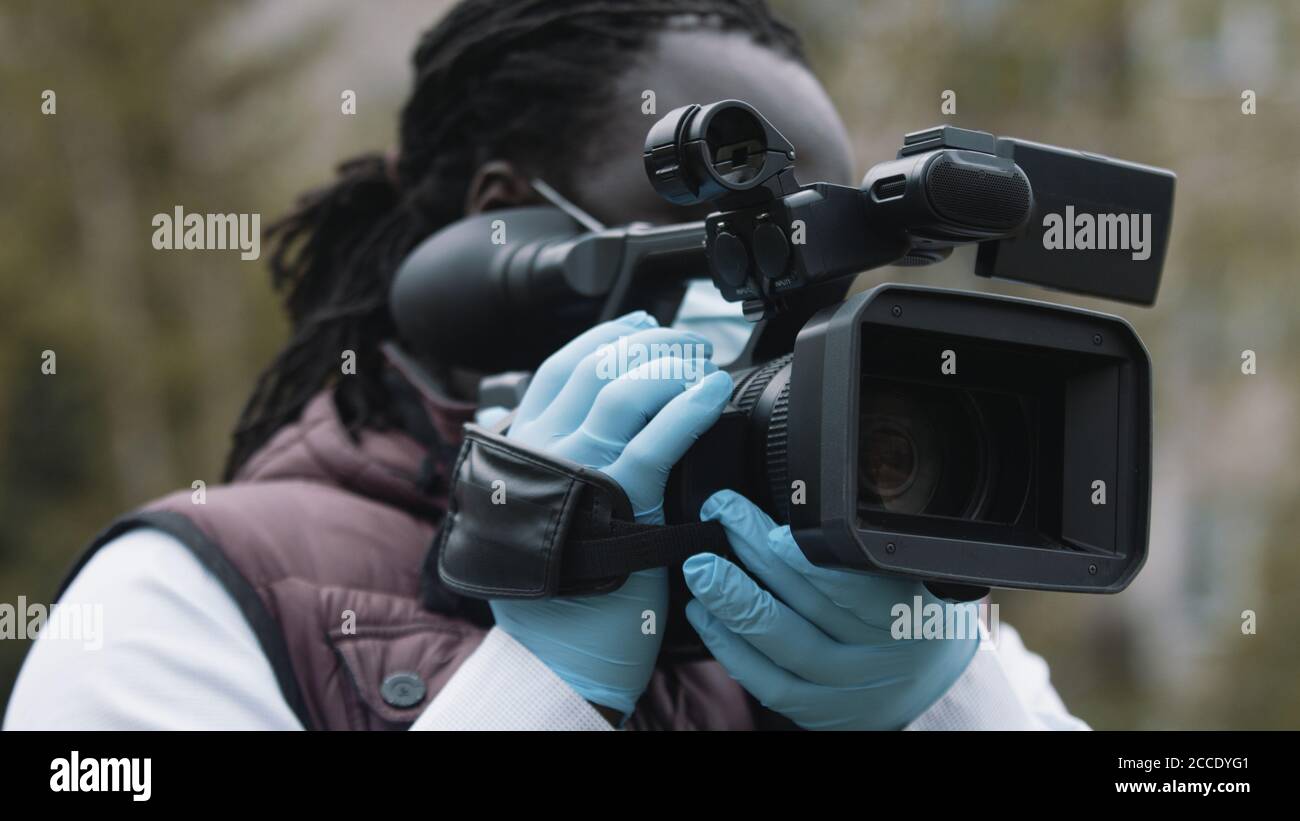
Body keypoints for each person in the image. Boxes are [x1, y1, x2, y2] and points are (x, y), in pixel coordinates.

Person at [4, 0, 1085, 731]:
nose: (774, 309)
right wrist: (541, 687)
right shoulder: (192, 595)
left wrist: (950, 701)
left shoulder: (874, 582)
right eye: (731, 241)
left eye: (814, 267)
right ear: (508, 234)